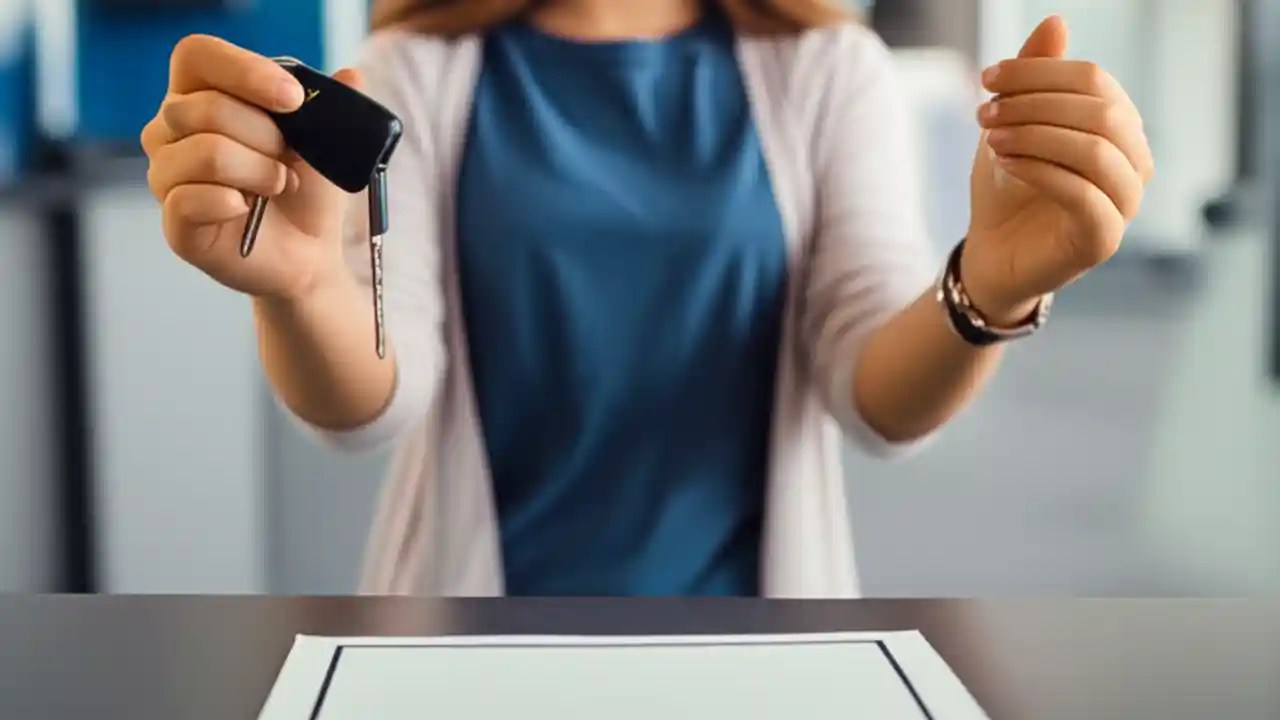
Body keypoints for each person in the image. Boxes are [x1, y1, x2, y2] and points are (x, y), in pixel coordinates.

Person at [139, 1, 1153, 597]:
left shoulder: (827, 69)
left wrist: (990, 285)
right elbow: (374, 401)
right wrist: (303, 288)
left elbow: (874, 399)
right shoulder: (419, 70)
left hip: (759, 643)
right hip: (474, 630)